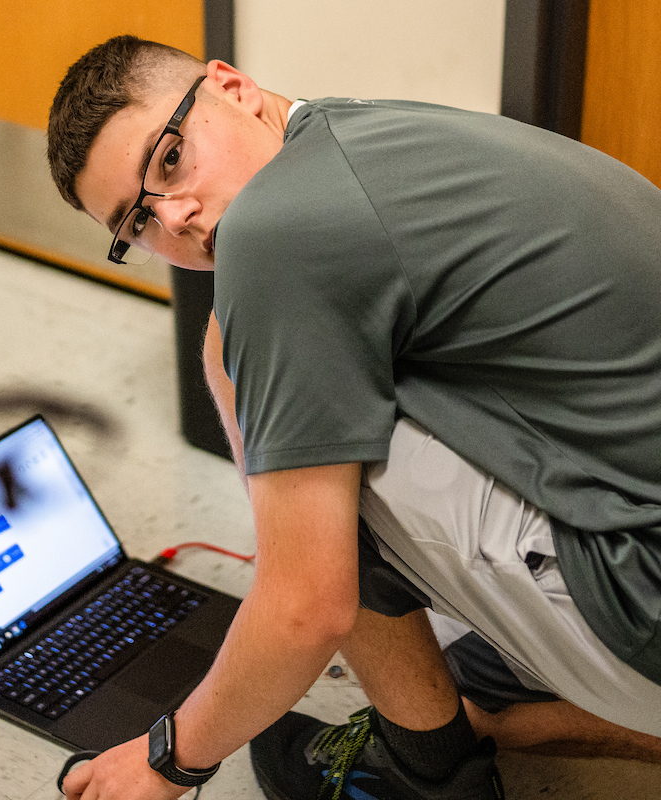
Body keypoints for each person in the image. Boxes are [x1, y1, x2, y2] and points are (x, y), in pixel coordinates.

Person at [46, 34, 661, 800]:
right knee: (271, 363)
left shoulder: (277, 232)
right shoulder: (359, 130)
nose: (177, 220)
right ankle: (484, 706)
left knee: (277, 419)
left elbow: (310, 605)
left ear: (230, 87)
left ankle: (431, 773)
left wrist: (167, 761)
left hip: (644, 597)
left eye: (170, 159)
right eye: (136, 224)